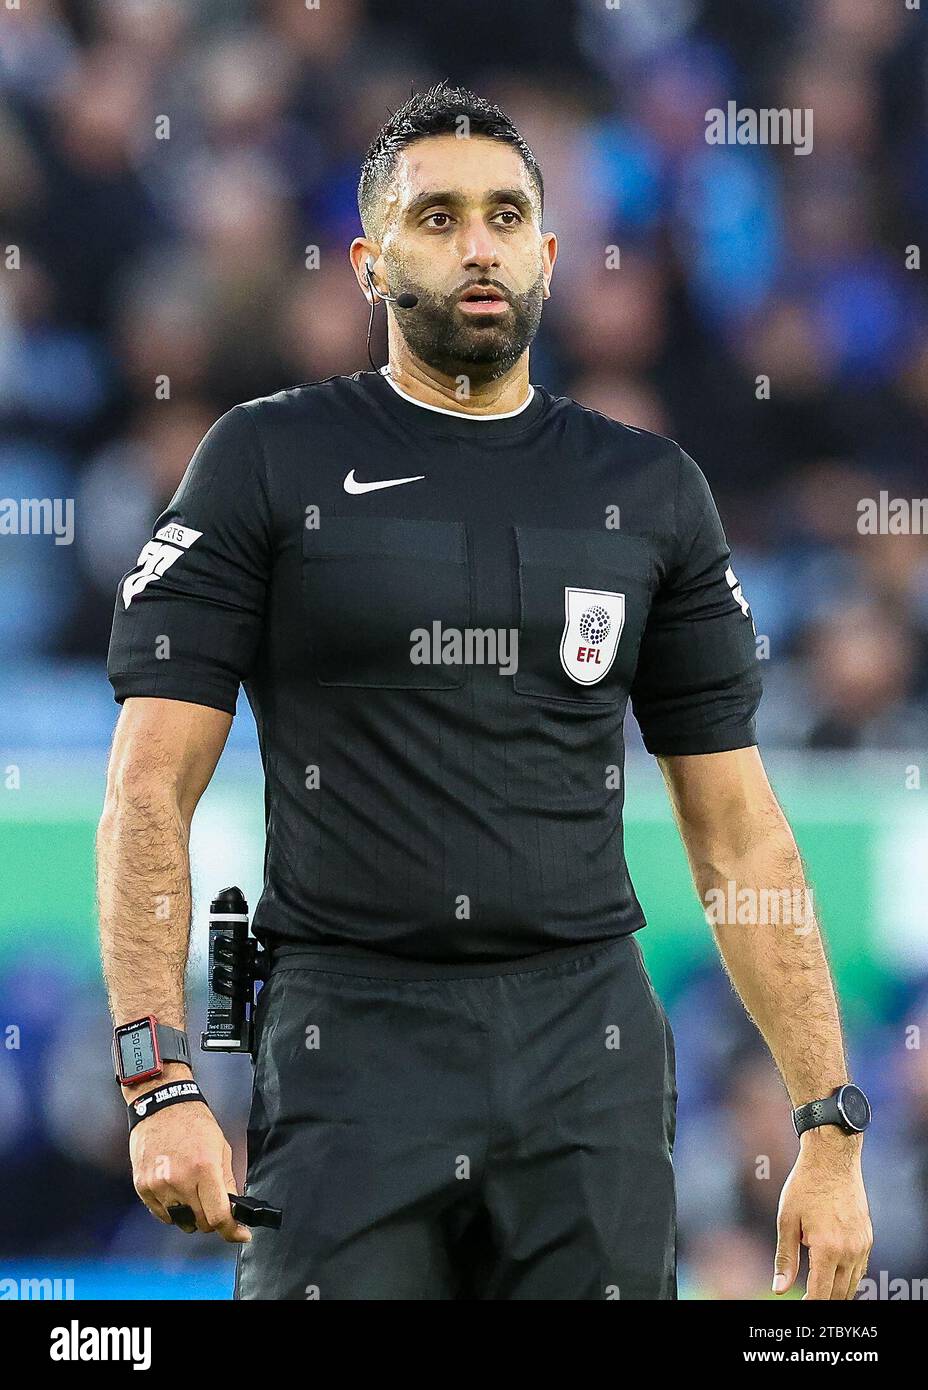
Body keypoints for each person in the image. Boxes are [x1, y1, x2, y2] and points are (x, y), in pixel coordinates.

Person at [98, 82, 872, 1301]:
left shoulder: (649, 490)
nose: (478, 245)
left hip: (588, 1049)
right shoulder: (266, 458)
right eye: (438, 216)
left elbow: (738, 833)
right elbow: (149, 786)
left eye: (506, 216)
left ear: (549, 258)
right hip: (349, 1039)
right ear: (369, 265)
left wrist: (827, 1126)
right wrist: (160, 1079)